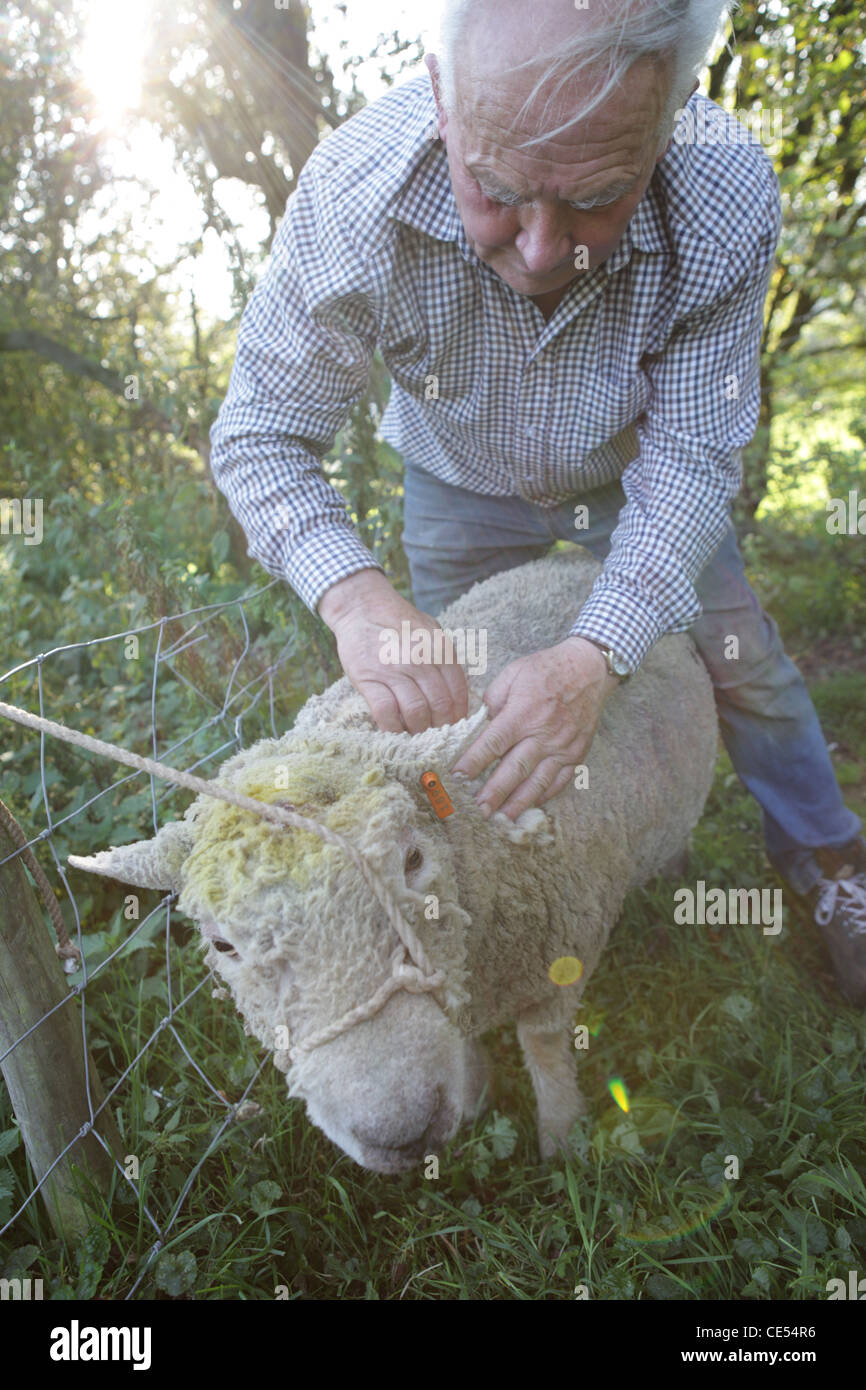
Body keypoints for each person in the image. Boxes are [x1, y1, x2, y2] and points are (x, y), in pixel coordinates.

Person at [210, 0, 866, 1003]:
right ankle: (502, 900)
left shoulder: (725, 194)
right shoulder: (353, 197)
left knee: (747, 667)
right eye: (497, 189)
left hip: (636, 475)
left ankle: (827, 868)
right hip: (455, 483)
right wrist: (355, 598)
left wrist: (596, 651)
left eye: (596, 197)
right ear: (440, 95)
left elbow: (691, 461)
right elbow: (260, 433)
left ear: (670, 113)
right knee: (460, 706)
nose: (538, 247)